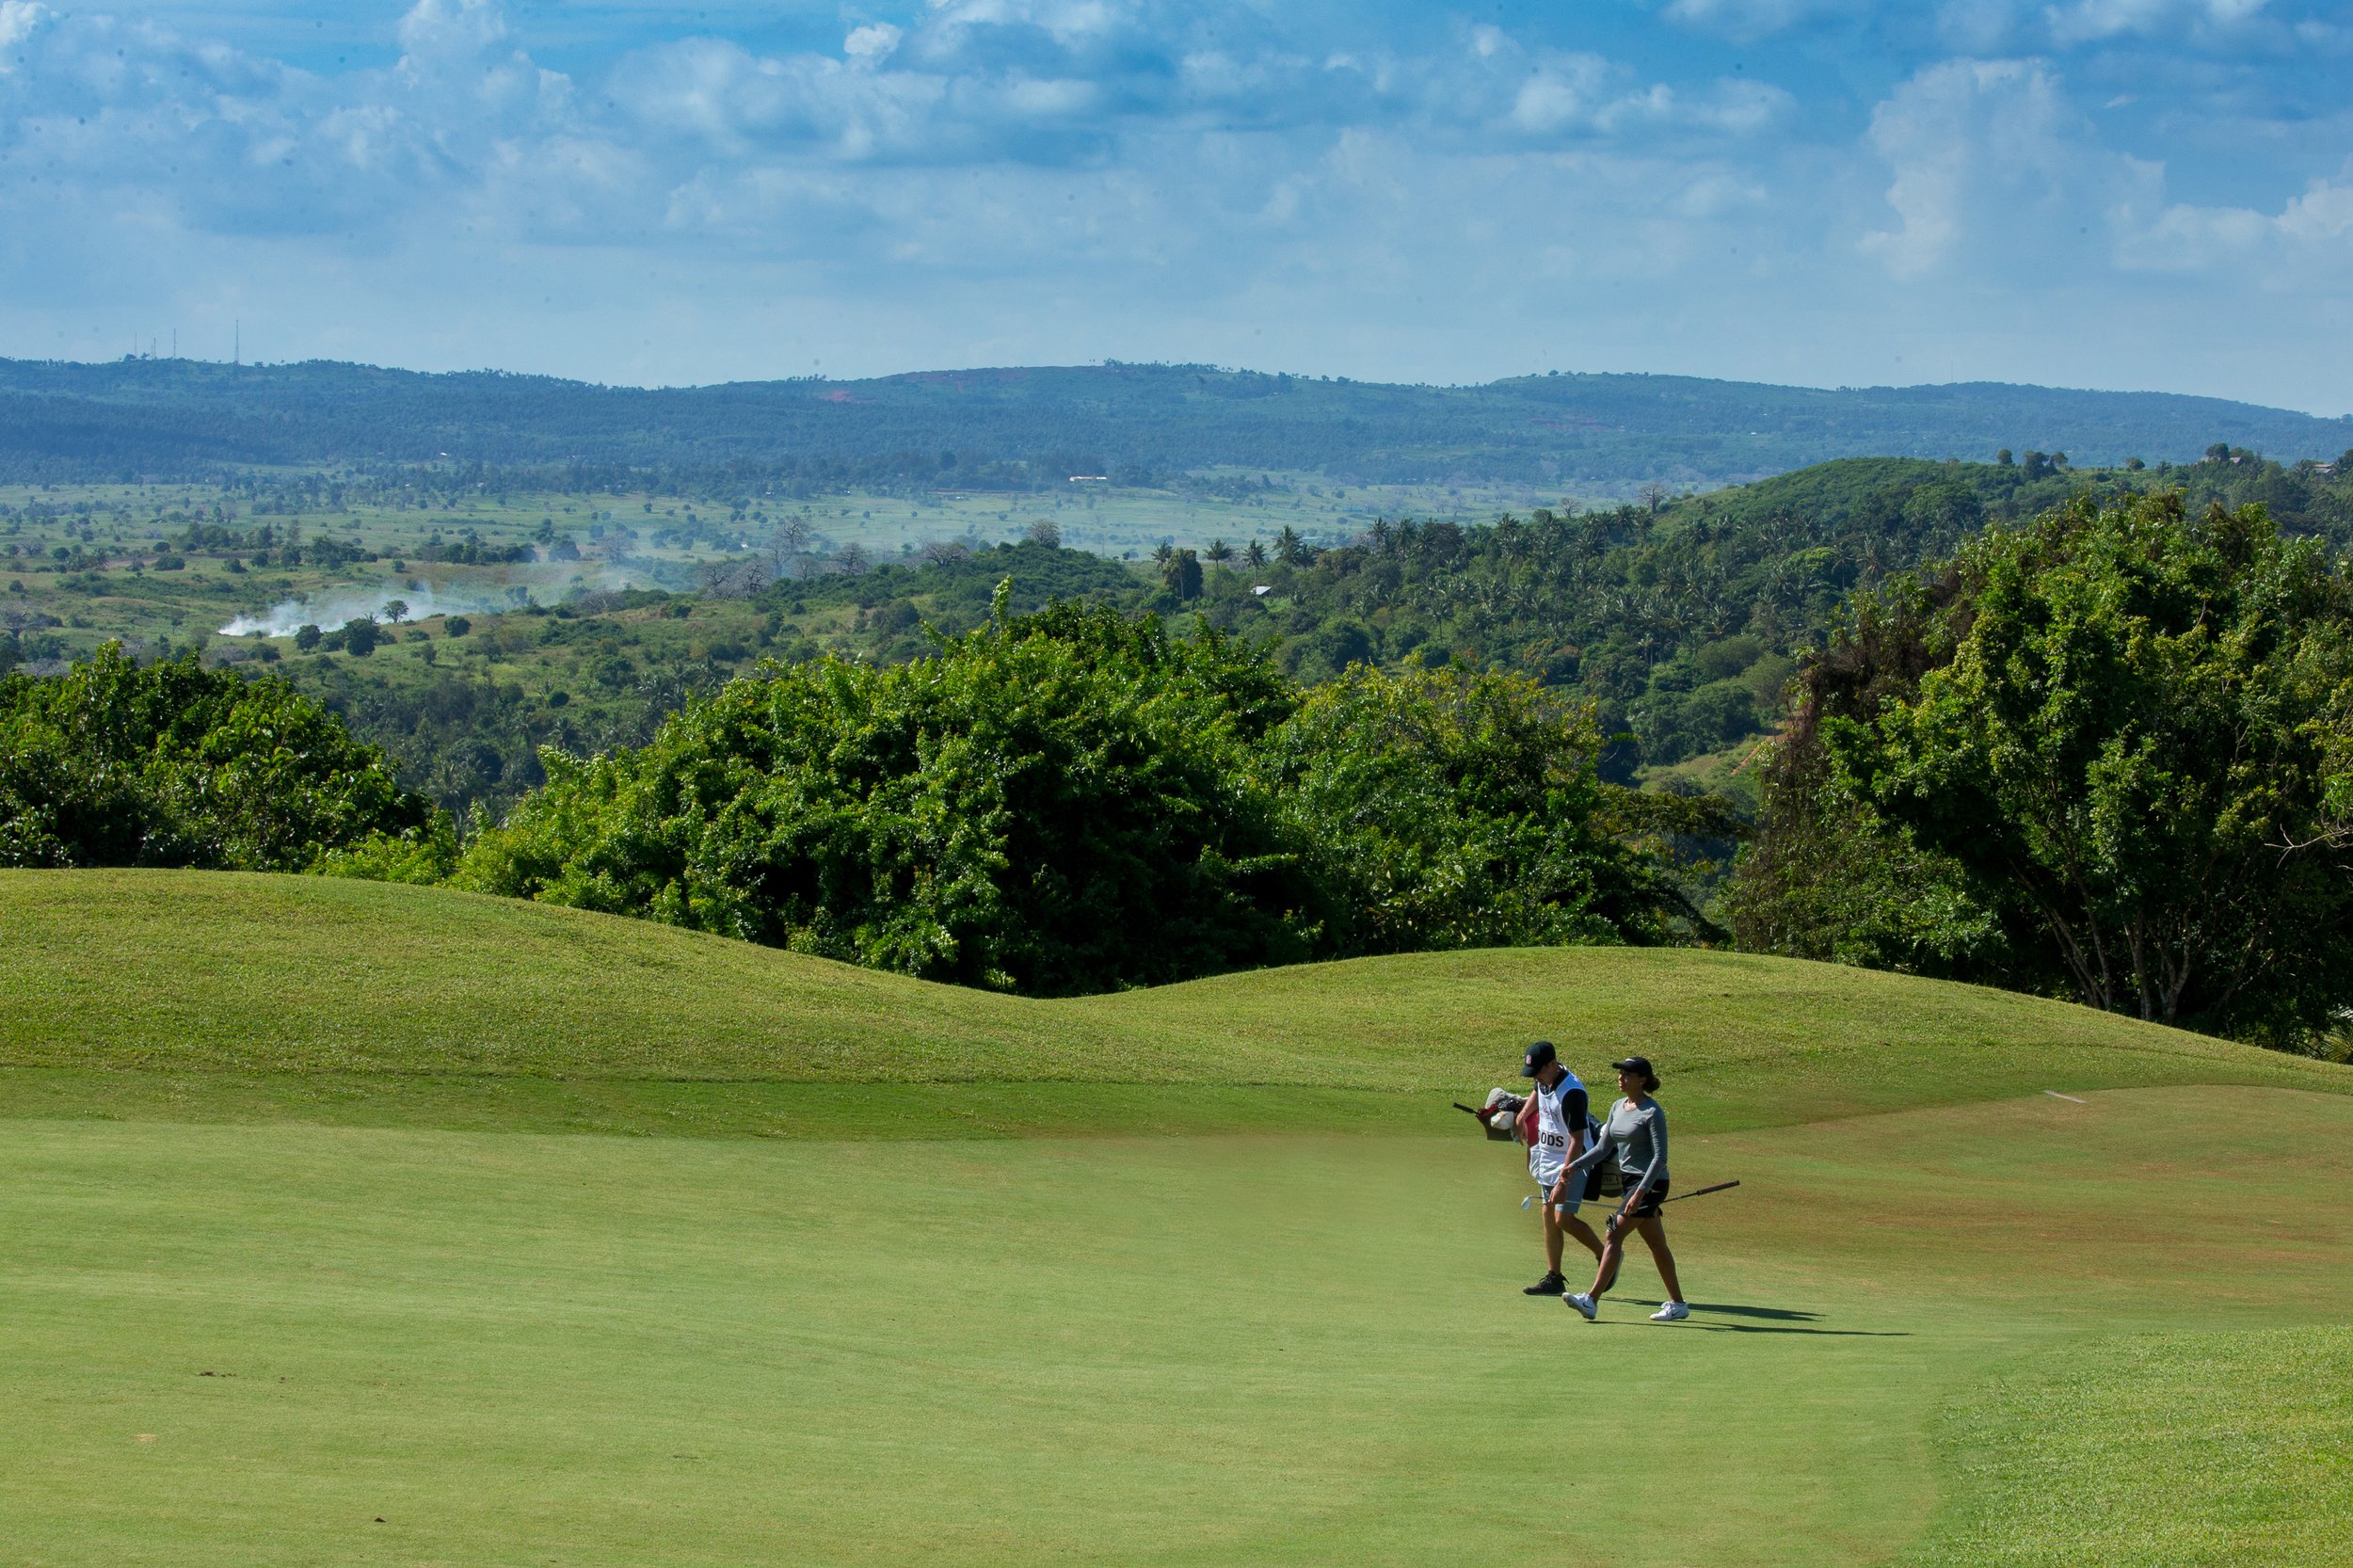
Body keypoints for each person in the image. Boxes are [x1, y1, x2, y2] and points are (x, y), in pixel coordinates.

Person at [1561, 1055, 1689, 1323]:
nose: (1621, 1078)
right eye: (1620, 1073)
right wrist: (1573, 1166)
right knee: (1656, 1243)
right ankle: (1678, 1304)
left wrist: (1641, 1193)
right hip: (1629, 1181)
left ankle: (1591, 1300)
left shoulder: (1652, 1112)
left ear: (1642, 1079)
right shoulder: (1618, 1106)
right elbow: (1602, 1148)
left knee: (1613, 1235)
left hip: (1650, 1183)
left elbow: (1659, 1158)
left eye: (1627, 1074)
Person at [1498, 1041, 1609, 1298]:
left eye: (1539, 1071)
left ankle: (1607, 1257)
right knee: (1548, 1215)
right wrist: (1523, 1115)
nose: (1536, 1077)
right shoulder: (1545, 1078)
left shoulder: (1572, 1094)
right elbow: (1537, 1091)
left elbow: (1577, 1140)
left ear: (1553, 1064)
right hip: (1549, 1156)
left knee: (1564, 1218)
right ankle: (1554, 1277)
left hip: (1574, 1161)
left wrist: (1564, 1180)